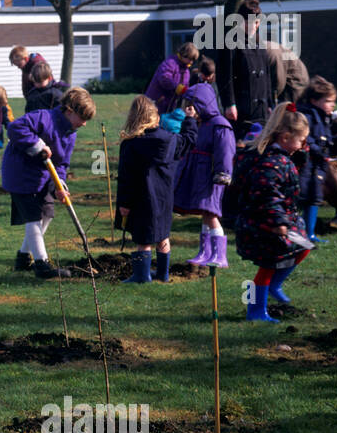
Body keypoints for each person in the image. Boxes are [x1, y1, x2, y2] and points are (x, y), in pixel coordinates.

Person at [227, 103, 313, 322]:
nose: (303, 145)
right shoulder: (270, 162)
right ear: (285, 136)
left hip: (280, 220)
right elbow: (267, 194)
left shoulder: (280, 158)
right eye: (301, 140)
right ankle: (255, 312)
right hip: (264, 224)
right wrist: (277, 221)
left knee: (304, 246)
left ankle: (275, 285)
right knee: (267, 267)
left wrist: (301, 156)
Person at [3, 86, 97, 279]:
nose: (84, 124)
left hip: (43, 177)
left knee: (47, 214)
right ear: (69, 111)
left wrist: (59, 184)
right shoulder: (43, 117)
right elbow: (14, 128)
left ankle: (23, 257)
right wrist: (38, 145)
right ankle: (41, 264)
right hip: (21, 174)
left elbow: (61, 163)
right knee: (34, 217)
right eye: (83, 118)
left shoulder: (71, 133)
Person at [116, 96, 179, 283]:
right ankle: (162, 274)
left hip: (141, 199)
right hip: (164, 198)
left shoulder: (130, 145)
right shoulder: (169, 141)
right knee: (162, 236)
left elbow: (126, 178)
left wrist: (124, 203)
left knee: (143, 239)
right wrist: (190, 121)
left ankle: (142, 276)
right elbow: (188, 141)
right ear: (155, 118)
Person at [173, 82, 236, 268]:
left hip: (211, 176)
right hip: (198, 175)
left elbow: (225, 151)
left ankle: (219, 255)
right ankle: (205, 251)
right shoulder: (202, 124)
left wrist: (223, 173)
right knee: (204, 212)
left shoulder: (220, 125)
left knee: (210, 213)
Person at [210, 0, 274, 139]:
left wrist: (269, 103)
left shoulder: (260, 46)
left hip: (260, 110)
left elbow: (267, 77)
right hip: (241, 108)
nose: (256, 26)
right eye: (252, 22)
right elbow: (225, 75)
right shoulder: (230, 44)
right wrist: (229, 103)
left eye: (258, 22)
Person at [296, 77, 337, 244]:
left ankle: (310, 232)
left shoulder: (325, 117)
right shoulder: (307, 115)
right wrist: (318, 152)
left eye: (333, 101)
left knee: (315, 196)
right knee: (302, 195)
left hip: (318, 165)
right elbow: (307, 138)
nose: (332, 105)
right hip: (306, 163)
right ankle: (297, 231)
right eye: (328, 101)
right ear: (314, 100)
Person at [144, 41, 199, 114]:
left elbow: (185, 86)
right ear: (184, 55)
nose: (191, 62)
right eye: (190, 59)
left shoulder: (186, 71)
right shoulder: (170, 63)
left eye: (193, 60)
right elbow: (164, 78)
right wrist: (177, 87)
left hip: (169, 104)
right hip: (156, 101)